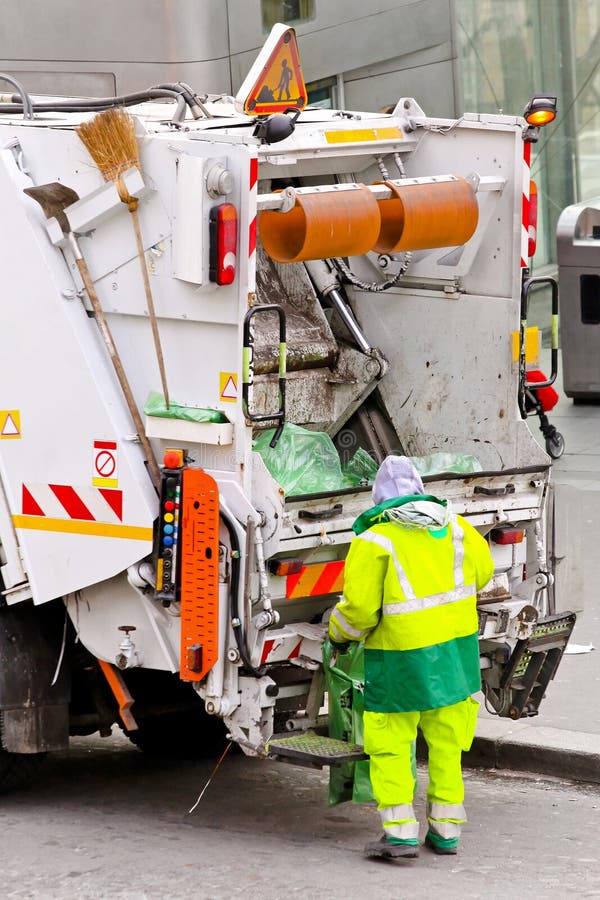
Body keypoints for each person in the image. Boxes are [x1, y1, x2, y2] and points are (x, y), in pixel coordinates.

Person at [328, 455, 494, 859]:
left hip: (400, 658)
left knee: (392, 743)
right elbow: (484, 573)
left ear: (378, 499)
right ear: (421, 490)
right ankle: (445, 831)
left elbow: (360, 612)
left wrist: (338, 634)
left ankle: (400, 832)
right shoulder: (456, 528)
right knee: (447, 745)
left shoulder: (374, 542)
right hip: (454, 655)